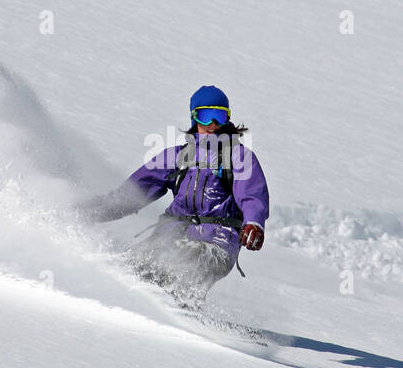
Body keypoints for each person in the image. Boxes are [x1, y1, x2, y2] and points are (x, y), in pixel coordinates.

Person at [76, 85, 269, 310]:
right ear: (194, 117)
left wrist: (254, 223)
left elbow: (252, 194)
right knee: (130, 265)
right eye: (206, 116)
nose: (213, 125)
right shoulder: (177, 156)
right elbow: (132, 194)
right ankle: (121, 306)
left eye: (219, 116)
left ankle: (183, 310)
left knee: (188, 262)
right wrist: (88, 212)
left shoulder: (239, 156)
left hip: (217, 241)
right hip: (168, 236)